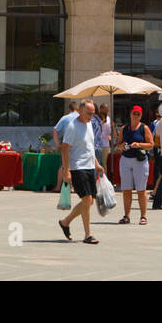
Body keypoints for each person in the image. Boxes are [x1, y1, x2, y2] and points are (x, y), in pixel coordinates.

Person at [58, 99, 105, 244]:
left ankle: (65, 222)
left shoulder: (89, 124)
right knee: (86, 200)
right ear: (80, 111)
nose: (91, 116)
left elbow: (89, 147)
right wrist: (66, 171)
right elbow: (64, 149)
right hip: (77, 167)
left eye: (93, 113)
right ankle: (88, 234)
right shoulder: (72, 126)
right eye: (89, 113)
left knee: (89, 201)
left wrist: (97, 164)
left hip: (90, 166)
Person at [117, 105, 153, 225]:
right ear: (130, 114)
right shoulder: (124, 128)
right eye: (134, 113)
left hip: (140, 161)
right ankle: (126, 216)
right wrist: (122, 146)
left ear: (141, 115)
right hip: (125, 160)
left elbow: (151, 145)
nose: (135, 116)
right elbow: (118, 144)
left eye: (138, 114)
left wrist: (139, 145)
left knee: (141, 190)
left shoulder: (144, 128)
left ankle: (143, 216)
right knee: (126, 190)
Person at [95, 102, 112, 169]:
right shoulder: (95, 118)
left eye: (107, 110)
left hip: (105, 144)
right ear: (100, 109)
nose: (106, 112)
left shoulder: (108, 118)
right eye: (105, 110)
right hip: (97, 144)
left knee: (104, 164)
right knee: (97, 163)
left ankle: (104, 175)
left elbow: (109, 132)